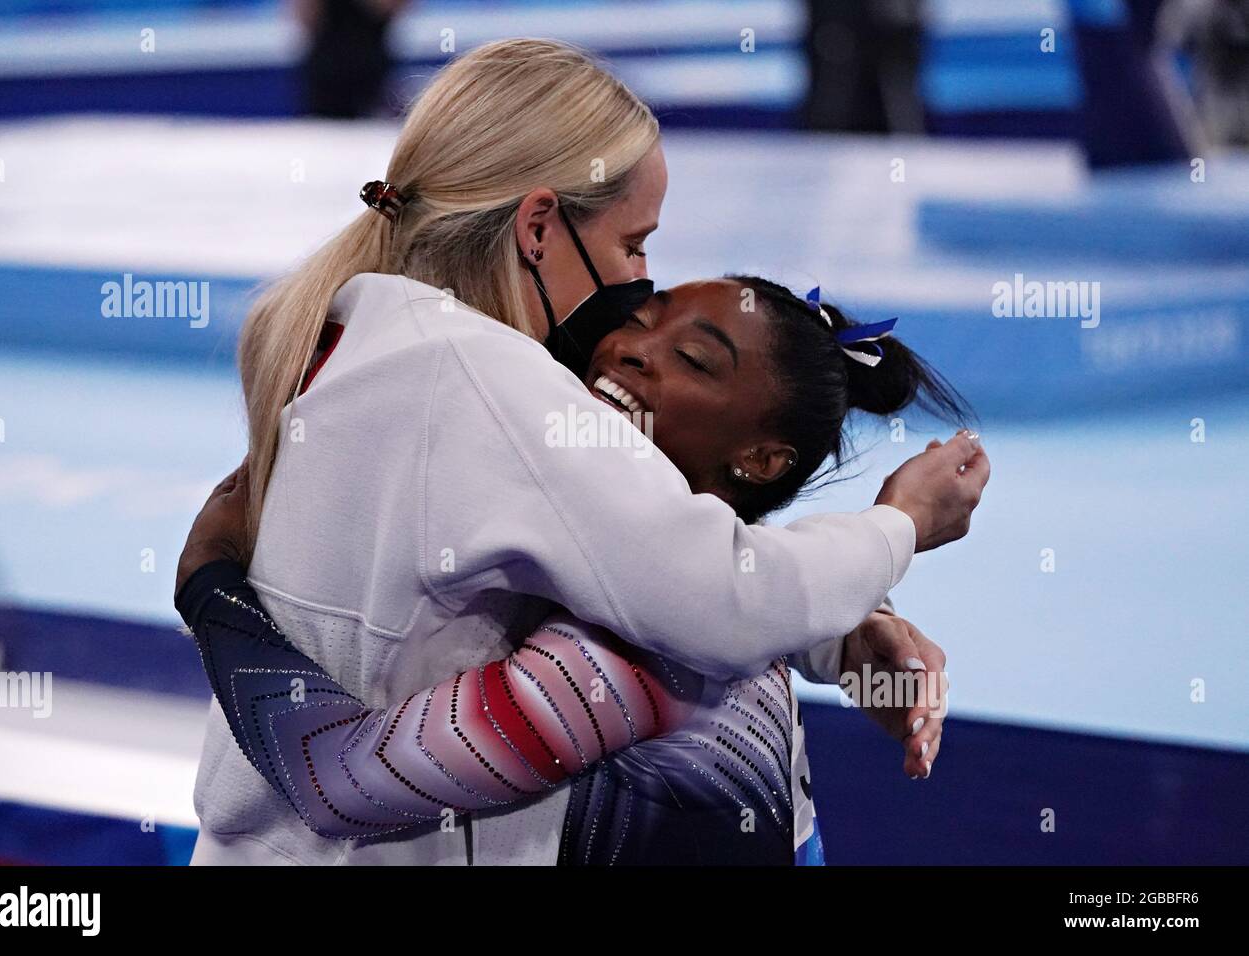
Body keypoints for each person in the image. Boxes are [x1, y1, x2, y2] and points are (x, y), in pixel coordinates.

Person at [187, 38, 989, 865]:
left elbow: (659, 557)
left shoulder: (363, 330)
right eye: (634, 246)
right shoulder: (481, 383)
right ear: (539, 227)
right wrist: (900, 525)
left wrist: (846, 628)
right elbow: (724, 594)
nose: (629, 312)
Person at [179, 278, 972, 864]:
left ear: (761, 459)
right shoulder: (748, 603)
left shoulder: (631, 663)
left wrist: (210, 587)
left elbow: (337, 777)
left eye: (693, 359)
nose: (630, 347)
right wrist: (849, 628)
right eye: (640, 319)